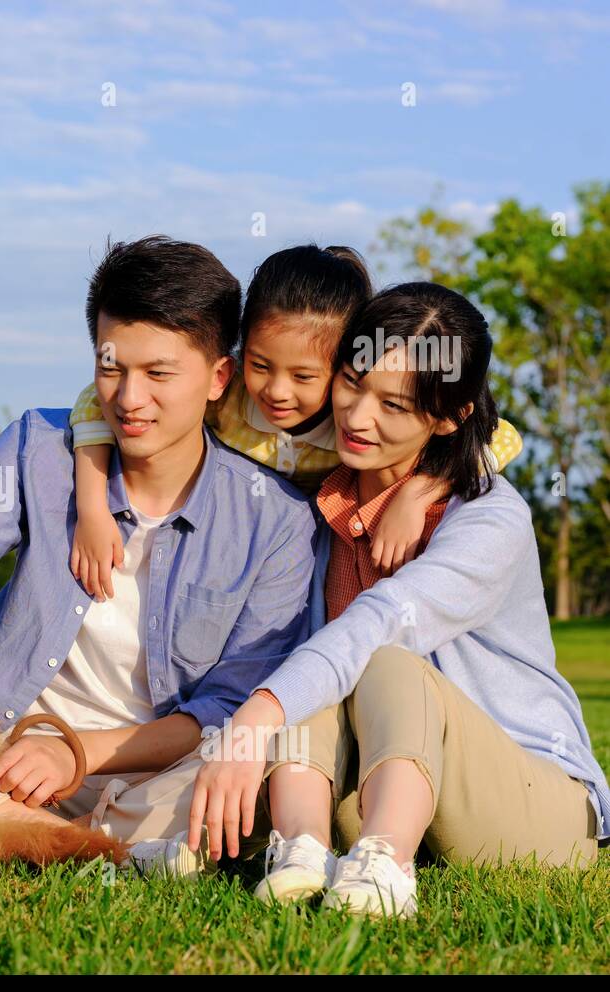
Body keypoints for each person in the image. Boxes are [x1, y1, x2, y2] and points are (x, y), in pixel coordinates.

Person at [191, 282, 610, 917]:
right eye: (352, 384)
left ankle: (386, 865)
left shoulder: (489, 517)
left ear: (448, 417)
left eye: (394, 404)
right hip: (389, 778)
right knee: (311, 667)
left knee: (374, 653)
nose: (358, 417)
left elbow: (384, 621)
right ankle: (301, 849)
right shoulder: (325, 501)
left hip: (536, 806)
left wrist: (255, 719)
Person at [0, 236, 315, 874]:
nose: (128, 399)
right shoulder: (38, 447)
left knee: (245, 777)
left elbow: (229, 705)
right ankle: (70, 839)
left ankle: (54, 837)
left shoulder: (276, 520)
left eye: (158, 374)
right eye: (112, 367)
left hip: (156, 770)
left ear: (219, 377)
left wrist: (76, 754)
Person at [68, 245, 524, 601]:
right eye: (260, 365)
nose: (277, 392)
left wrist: (418, 491)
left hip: (308, 556)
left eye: (305, 376)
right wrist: (92, 509)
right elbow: (97, 400)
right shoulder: (226, 398)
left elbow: (502, 437)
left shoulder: (350, 423)